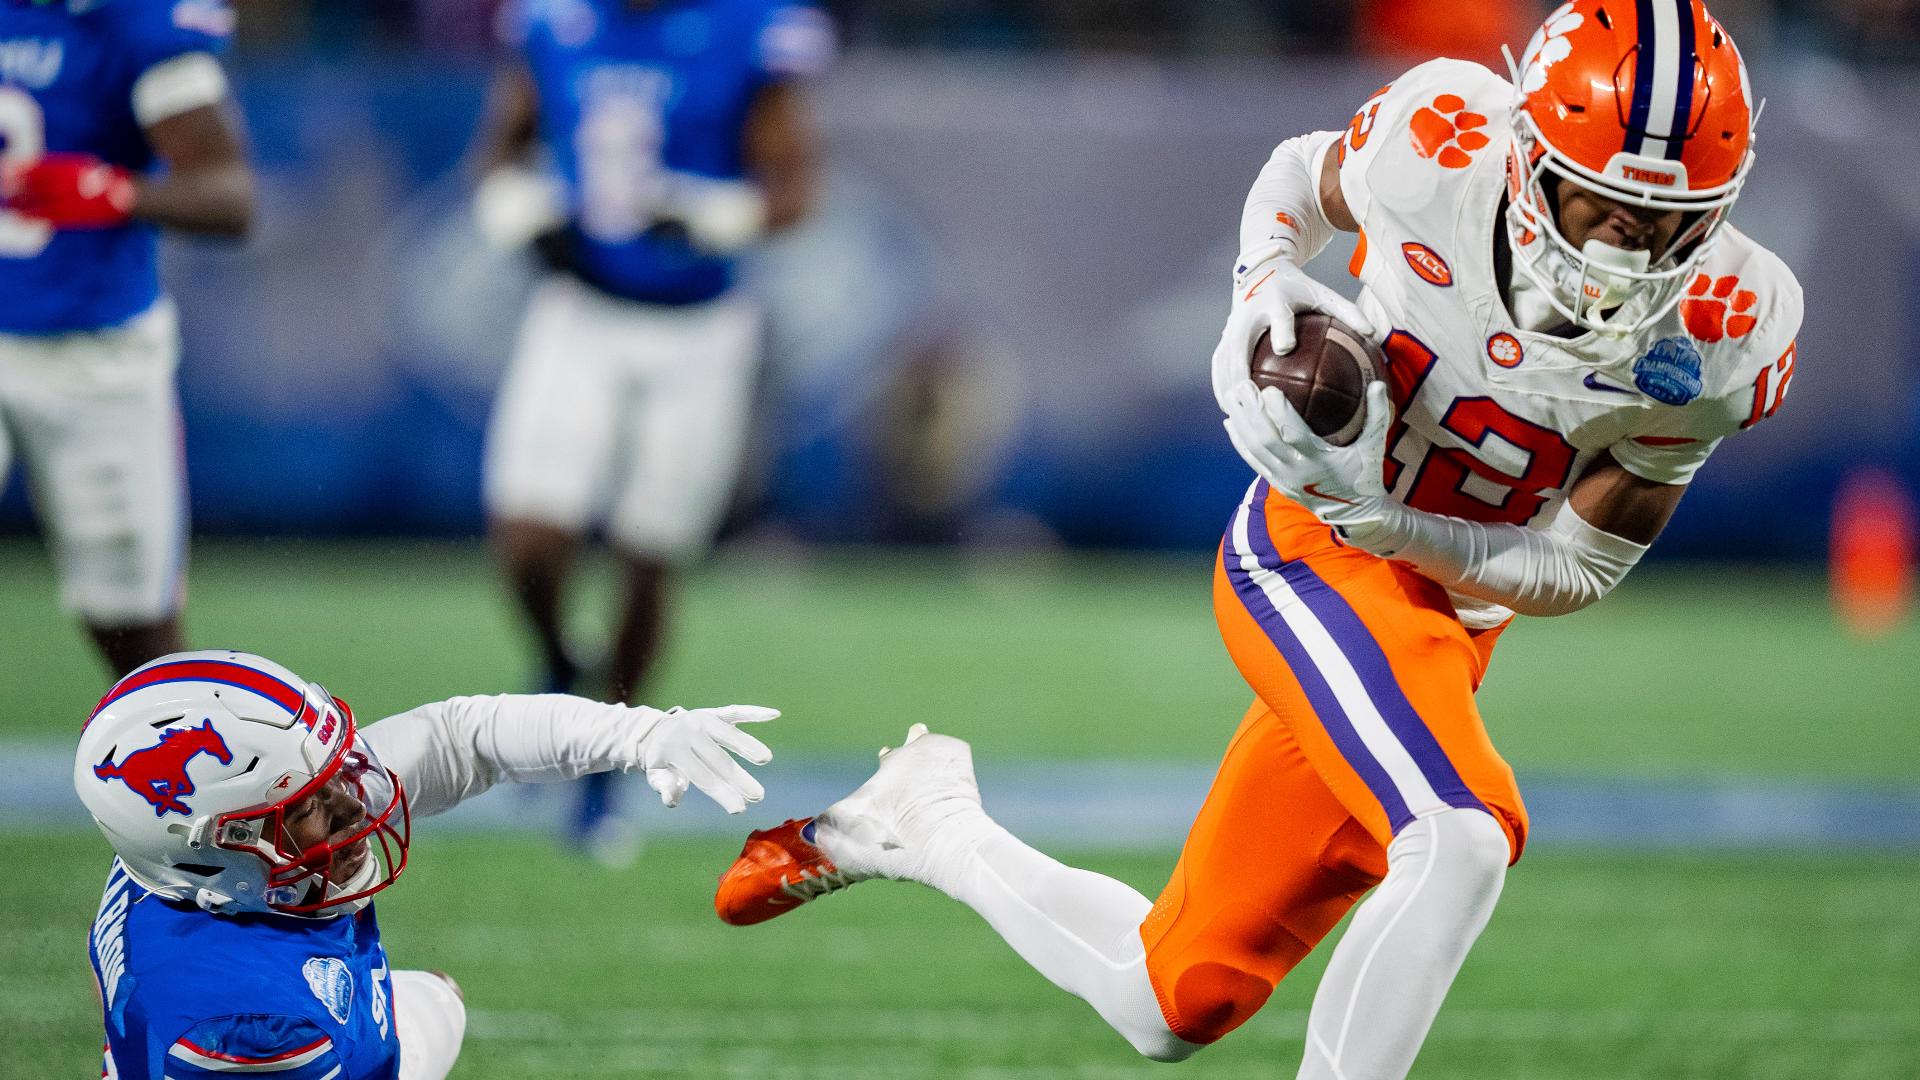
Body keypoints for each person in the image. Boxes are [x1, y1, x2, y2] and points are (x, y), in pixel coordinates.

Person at [710, 2, 1801, 1076]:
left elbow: (1581, 565)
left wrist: (1406, 530)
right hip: (1311, 552)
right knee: (1459, 835)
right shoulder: (1443, 142)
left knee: (1174, 998)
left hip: (1439, 617)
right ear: (1528, 155)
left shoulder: (1731, 327)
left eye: (1668, 221)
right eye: (1603, 205)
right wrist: (1264, 280)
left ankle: (926, 824)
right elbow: (1297, 176)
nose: (1631, 249)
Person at [469, 0, 832, 853]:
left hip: (699, 328)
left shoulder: (750, 27)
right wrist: (517, 209)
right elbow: (498, 153)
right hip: (579, 314)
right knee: (528, 534)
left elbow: (798, 192)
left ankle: (605, 765)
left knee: (648, 551)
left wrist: (719, 216)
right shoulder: (555, 22)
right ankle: (561, 662)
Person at [76, 649, 778, 1080]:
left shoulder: (189, 866)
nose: (354, 805)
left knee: (436, 998)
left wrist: (644, 733)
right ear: (211, 854)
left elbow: (463, 736)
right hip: (282, 1043)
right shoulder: (246, 1033)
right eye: (310, 805)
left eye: (334, 775)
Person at [0, 0, 254, 678]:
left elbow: (231, 198)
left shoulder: (138, 20)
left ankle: (195, 775)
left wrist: (114, 191)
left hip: (97, 350)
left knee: (136, 631)